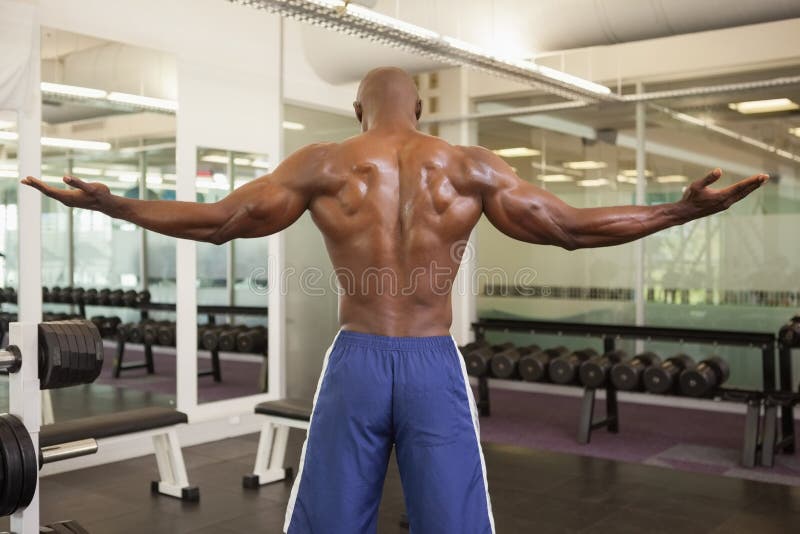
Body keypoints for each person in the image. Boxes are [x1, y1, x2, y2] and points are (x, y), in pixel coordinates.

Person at [23, 67, 768, 534]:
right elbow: (570, 228)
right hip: (432, 361)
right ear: (419, 107)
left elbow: (220, 221)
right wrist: (678, 211)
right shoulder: (469, 167)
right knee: (453, 519)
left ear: (357, 108)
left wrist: (117, 205)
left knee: (329, 519)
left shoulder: (323, 163)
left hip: (356, 359)